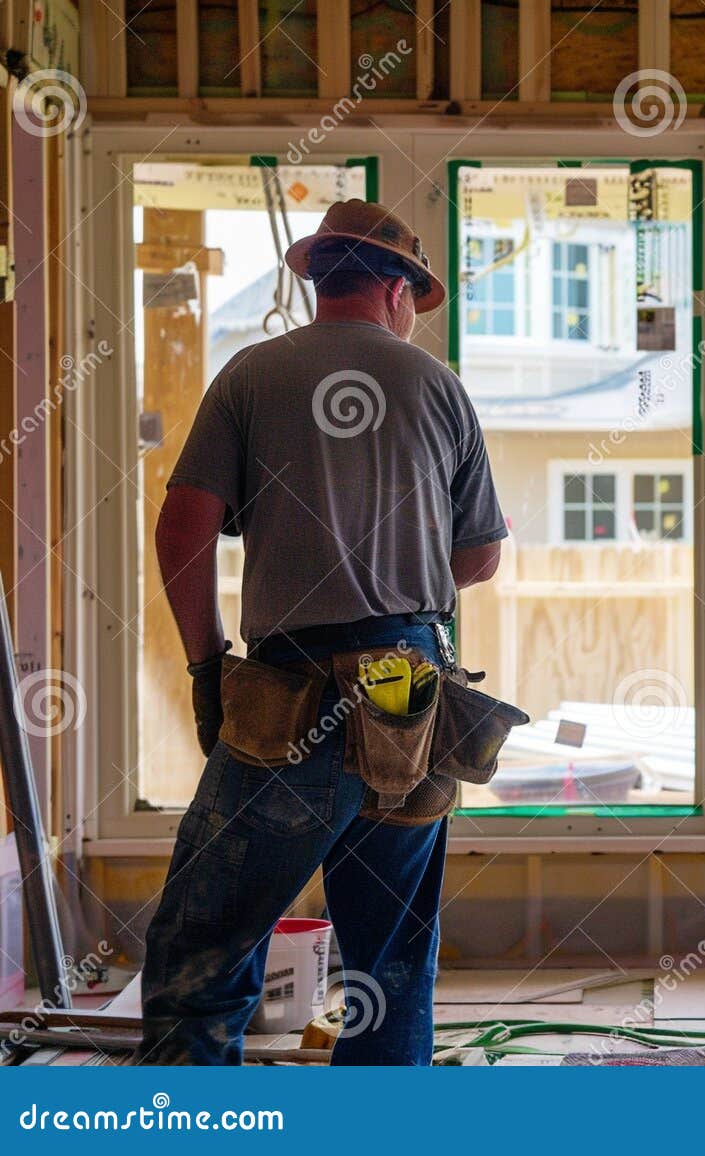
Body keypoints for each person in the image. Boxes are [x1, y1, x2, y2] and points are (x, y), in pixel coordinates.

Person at [137, 201, 507, 1065]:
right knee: (389, 954)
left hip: (284, 694)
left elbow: (181, 532)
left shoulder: (250, 375)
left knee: (207, 937)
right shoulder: (437, 386)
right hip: (406, 693)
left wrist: (205, 667)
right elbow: (482, 556)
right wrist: (397, 580)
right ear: (395, 287)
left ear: (323, 282)